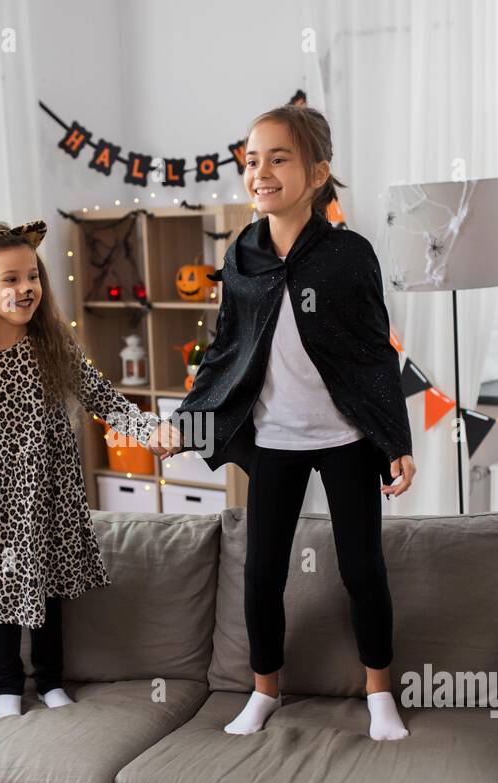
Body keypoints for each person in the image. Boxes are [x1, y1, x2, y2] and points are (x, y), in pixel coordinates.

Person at [158, 104, 417, 740]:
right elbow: (226, 351)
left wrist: (395, 441)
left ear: (318, 171)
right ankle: (264, 690)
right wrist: (188, 423)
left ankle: (379, 693)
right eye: (252, 160)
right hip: (272, 440)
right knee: (262, 571)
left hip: (347, 440)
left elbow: (374, 353)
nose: (261, 172)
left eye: (279, 158)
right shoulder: (241, 254)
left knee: (361, 567)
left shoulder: (350, 254)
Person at [0, 218, 181, 718]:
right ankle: (6, 685)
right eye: (10, 279)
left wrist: (145, 428)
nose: (26, 289)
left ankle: (49, 681)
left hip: (50, 493)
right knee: (0, 592)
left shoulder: (52, 344)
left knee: (49, 590)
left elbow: (101, 395)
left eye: (32, 277)